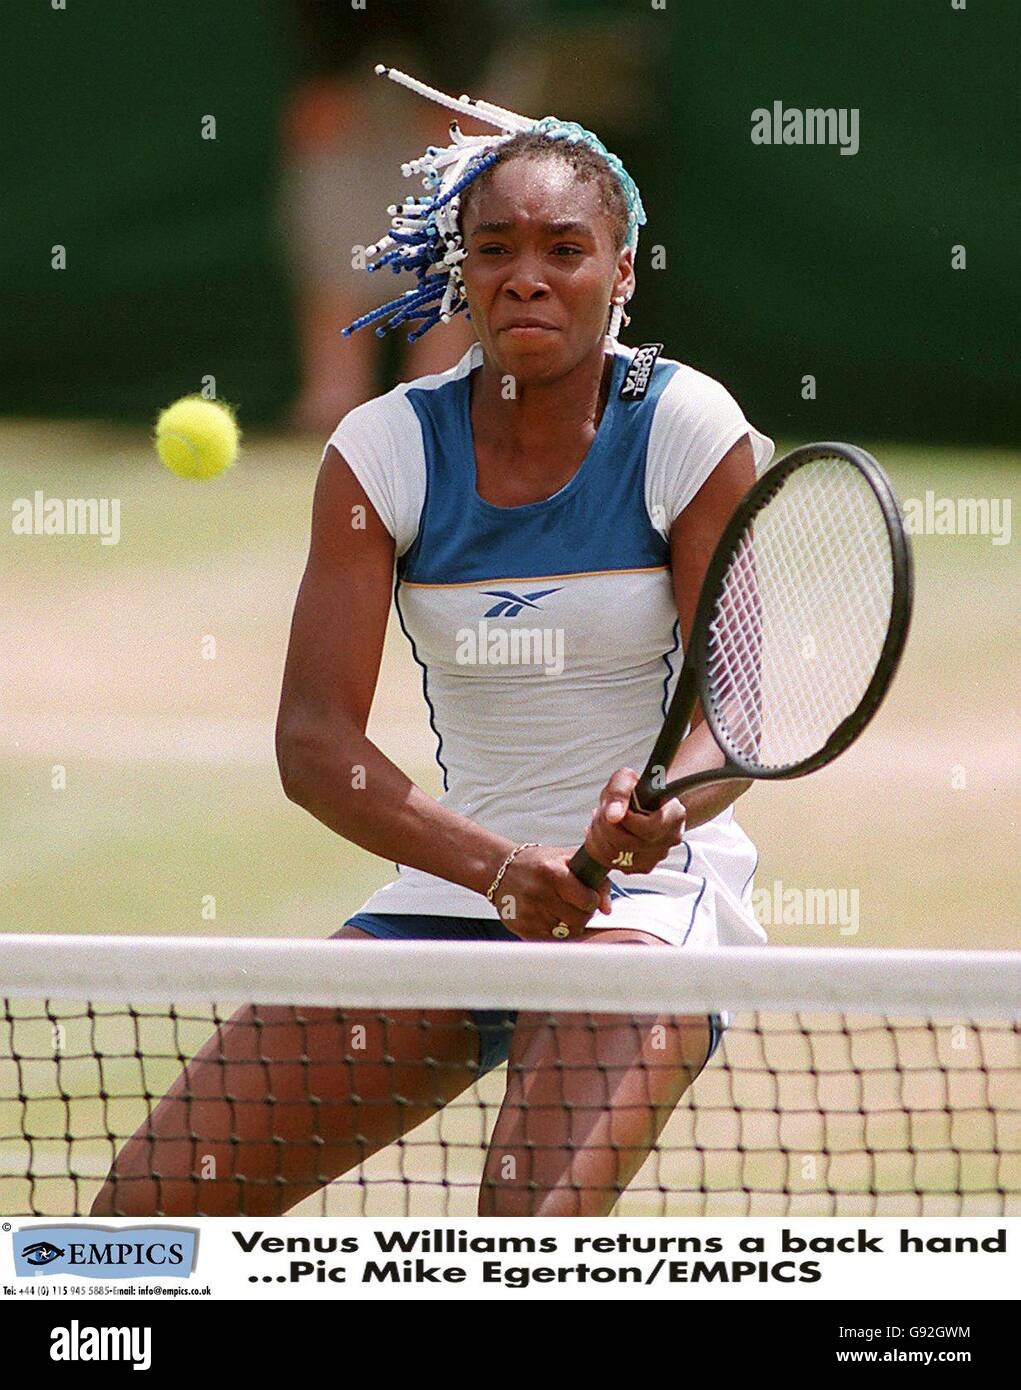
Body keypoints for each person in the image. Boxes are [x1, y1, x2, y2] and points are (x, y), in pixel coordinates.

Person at [92, 66, 772, 1219]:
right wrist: (500, 871)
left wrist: (666, 801)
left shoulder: (692, 427)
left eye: (564, 247)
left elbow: (738, 713)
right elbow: (315, 742)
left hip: (640, 913)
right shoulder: (380, 449)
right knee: (138, 1222)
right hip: (456, 889)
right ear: (461, 268)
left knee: (519, 1247)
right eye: (495, 246)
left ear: (621, 272)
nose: (527, 276)